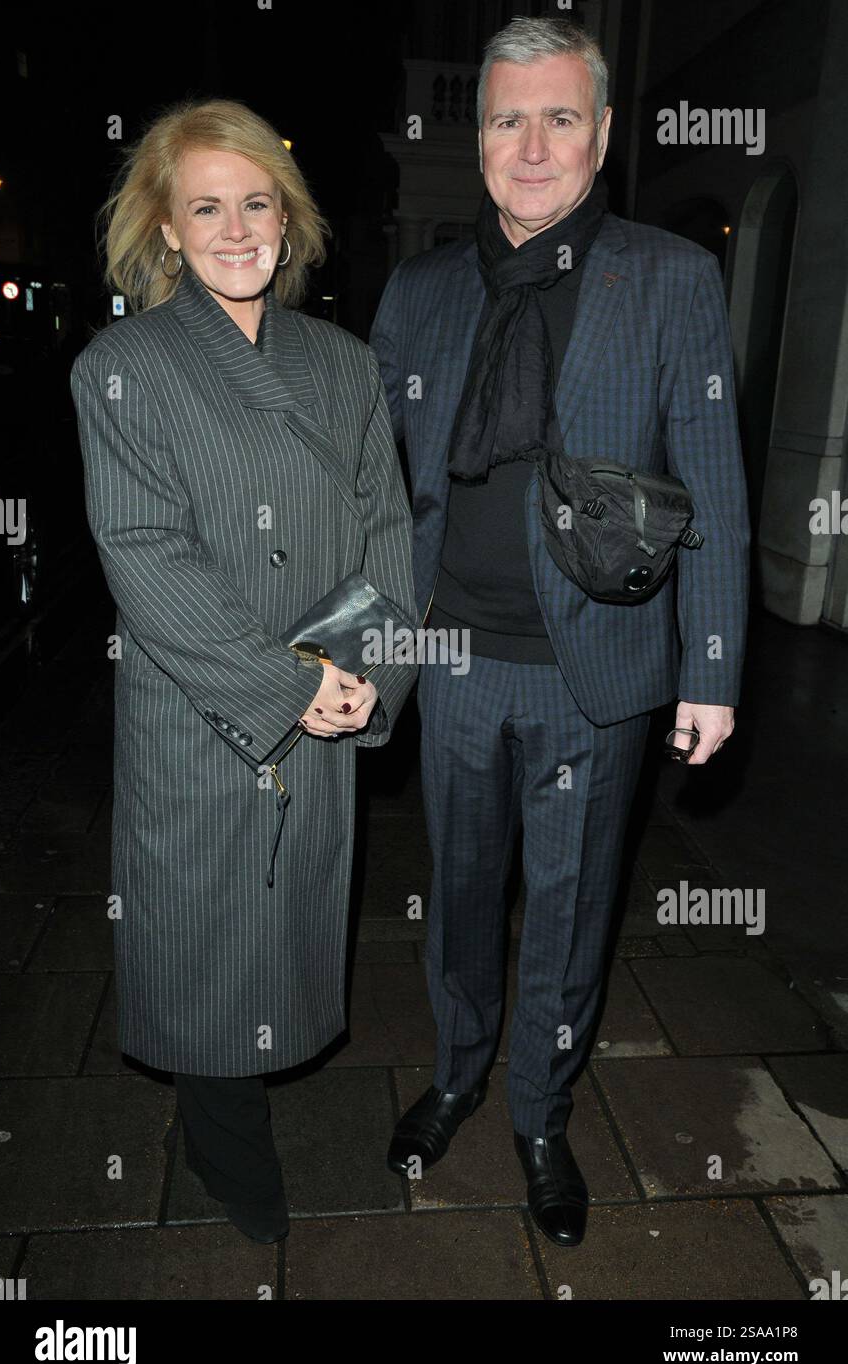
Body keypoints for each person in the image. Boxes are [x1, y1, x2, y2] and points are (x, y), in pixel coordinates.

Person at [370, 16, 750, 1247]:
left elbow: (713, 482)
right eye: (504, 119)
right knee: (461, 895)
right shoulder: (422, 289)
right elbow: (368, 487)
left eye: (559, 117)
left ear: (599, 134)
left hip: (598, 672)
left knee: (574, 907)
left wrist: (712, 670)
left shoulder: (667, 276)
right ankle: (457, 1072)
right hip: (451, 665)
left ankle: (539, 1110)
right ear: (475, 136)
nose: (530, 145)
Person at [70, 97, 417, 1244]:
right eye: (204, 206)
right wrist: (284, 685)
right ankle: (226, 1148)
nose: (233, 228)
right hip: (204, 704)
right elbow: (141, 552)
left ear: (288, 216)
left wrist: (361, 672)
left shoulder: (345, 363)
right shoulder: (121, 366)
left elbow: (386, 539)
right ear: (164, 227)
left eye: (254, 202)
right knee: (206, 938)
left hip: (326, 696)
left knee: (291, 925)